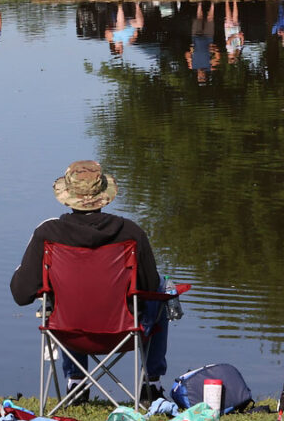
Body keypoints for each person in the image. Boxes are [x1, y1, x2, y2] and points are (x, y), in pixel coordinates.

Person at [10, 160, 169, 404]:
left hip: (67, 333)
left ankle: (76, 382)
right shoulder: (131, 233)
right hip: (124, 332)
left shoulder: (47, 234)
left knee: (65, 296)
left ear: (68, 195)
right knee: (161, 287)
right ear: (105, 195)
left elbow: (21, 295)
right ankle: (151, 384)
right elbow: (148, 288)